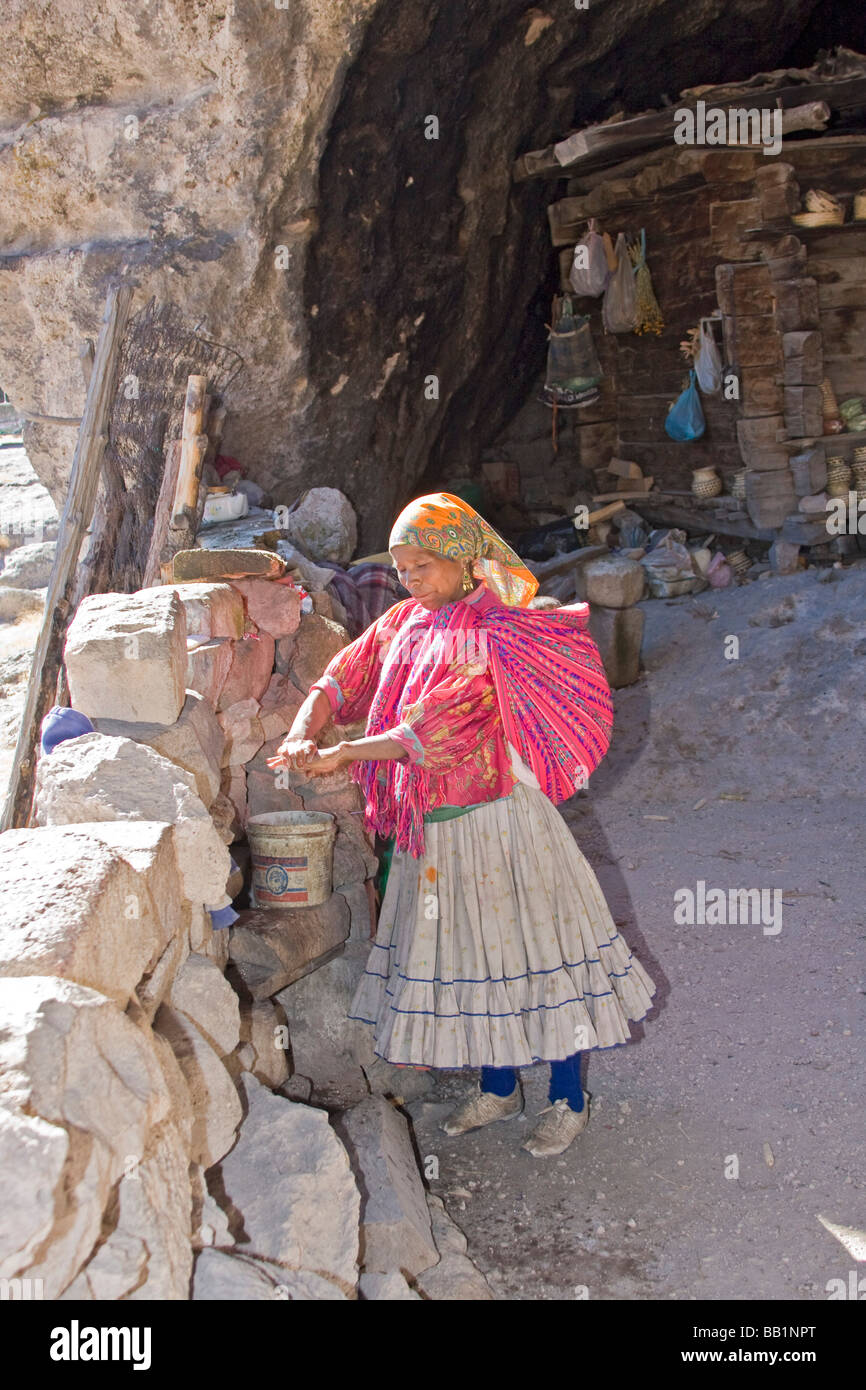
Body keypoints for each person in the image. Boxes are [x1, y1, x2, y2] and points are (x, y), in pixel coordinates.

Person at [268, 492, 656, 1157]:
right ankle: (499, 1085)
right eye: (401, 568)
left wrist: (339, 754)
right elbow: (342, 676)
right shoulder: (405, 621)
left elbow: (432, 731)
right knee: (474, 957)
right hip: (437, 829)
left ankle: (568, 1098)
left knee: (539, 955)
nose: (407, 580)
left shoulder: (494, 631)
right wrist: (306, 728)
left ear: (461, 560)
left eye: (420, 566)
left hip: (499, 823)